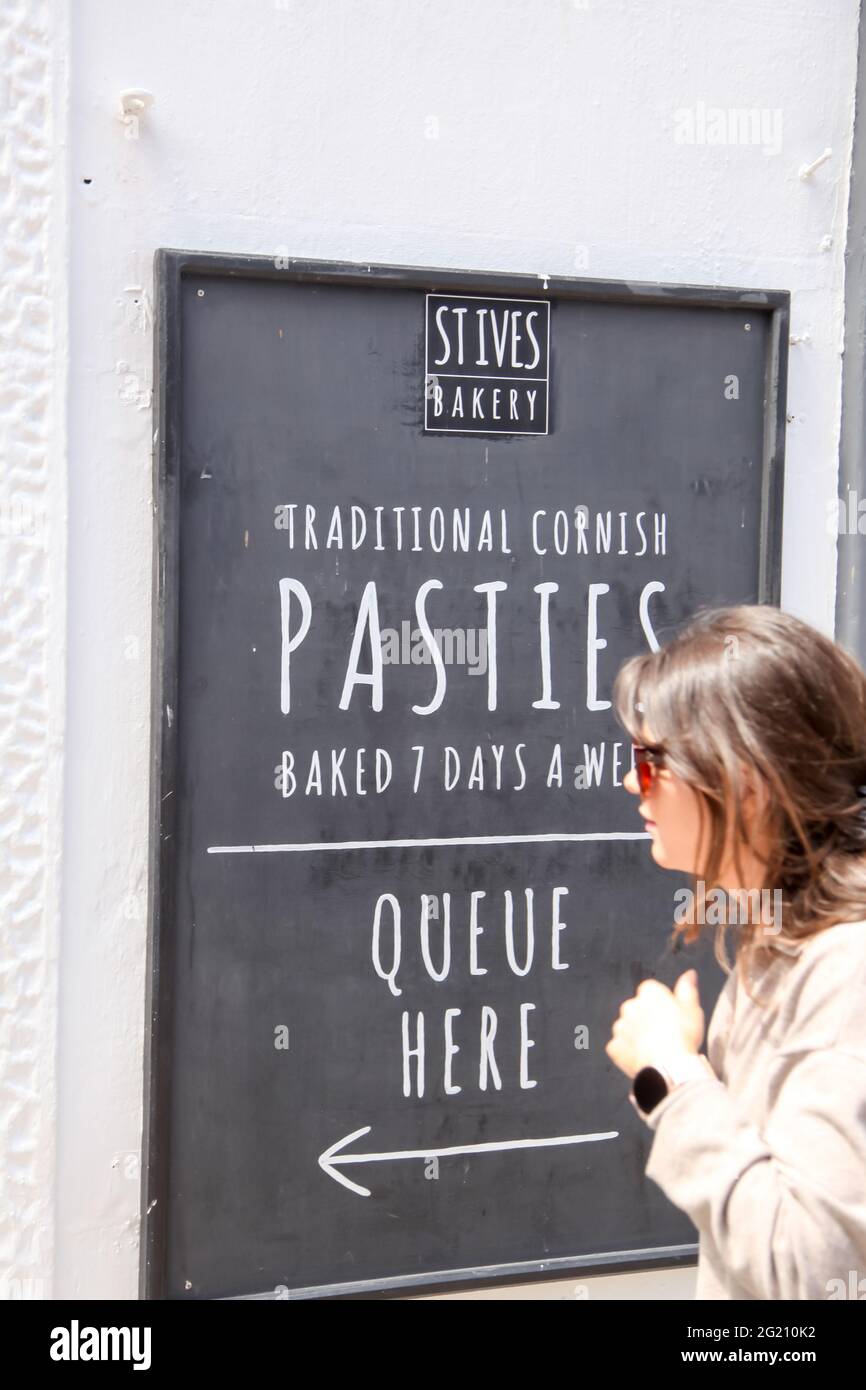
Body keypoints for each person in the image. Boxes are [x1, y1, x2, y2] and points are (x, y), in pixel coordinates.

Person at [605, 603, 866, 1300]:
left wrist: (671, 1076)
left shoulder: (847, 972)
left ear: (743, 783)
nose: (633, 783)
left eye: (652, 761)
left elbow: (807, 1275)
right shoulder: (781, 930)